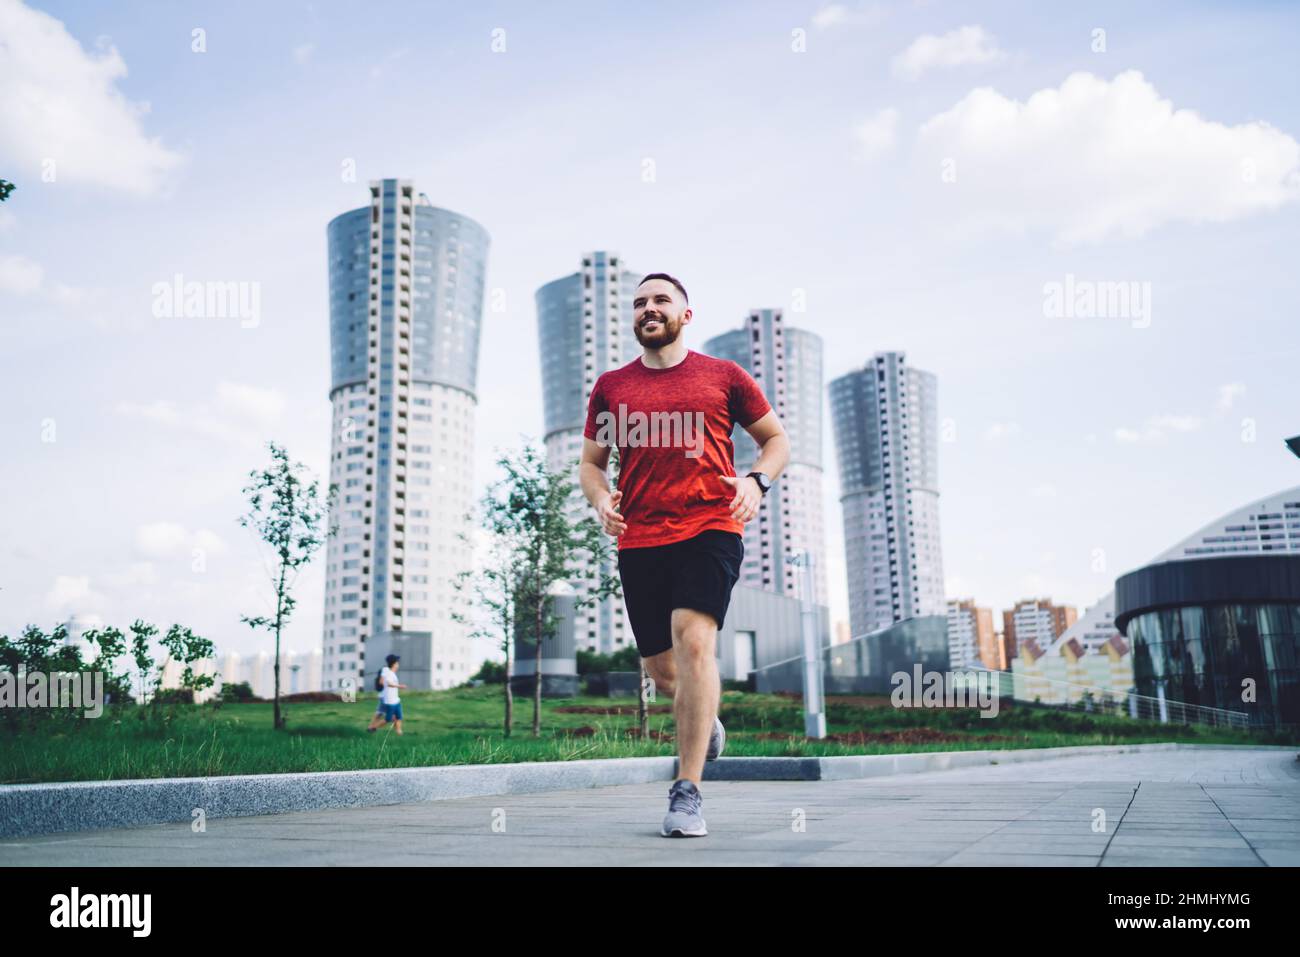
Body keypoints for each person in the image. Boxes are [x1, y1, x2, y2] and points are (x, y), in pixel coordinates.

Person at [579, 272, 790, 837]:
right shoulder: (611, 387)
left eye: (661, 300)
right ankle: (705, 718)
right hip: (640, 537)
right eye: (640, 302)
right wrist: (601, 498)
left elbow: (776, 440)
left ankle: (687, 792)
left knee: (695, 639)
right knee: (663, 672)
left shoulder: (723, 375)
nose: (649, 308)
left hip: (710, 527)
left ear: (685, 315)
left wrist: (756, 482)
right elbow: (591, 463)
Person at [366, 654, 407, 735]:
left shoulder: (388, 671)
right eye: (397, 662)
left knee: (395, 716)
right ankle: (372, 728)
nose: (398, 664)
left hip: (393, 699)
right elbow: (385, 683)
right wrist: (399, 686)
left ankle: (399, 732)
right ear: (393, 663)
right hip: (388, 699)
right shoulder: (387, 671)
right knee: (385, 716)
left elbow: (382, 682)